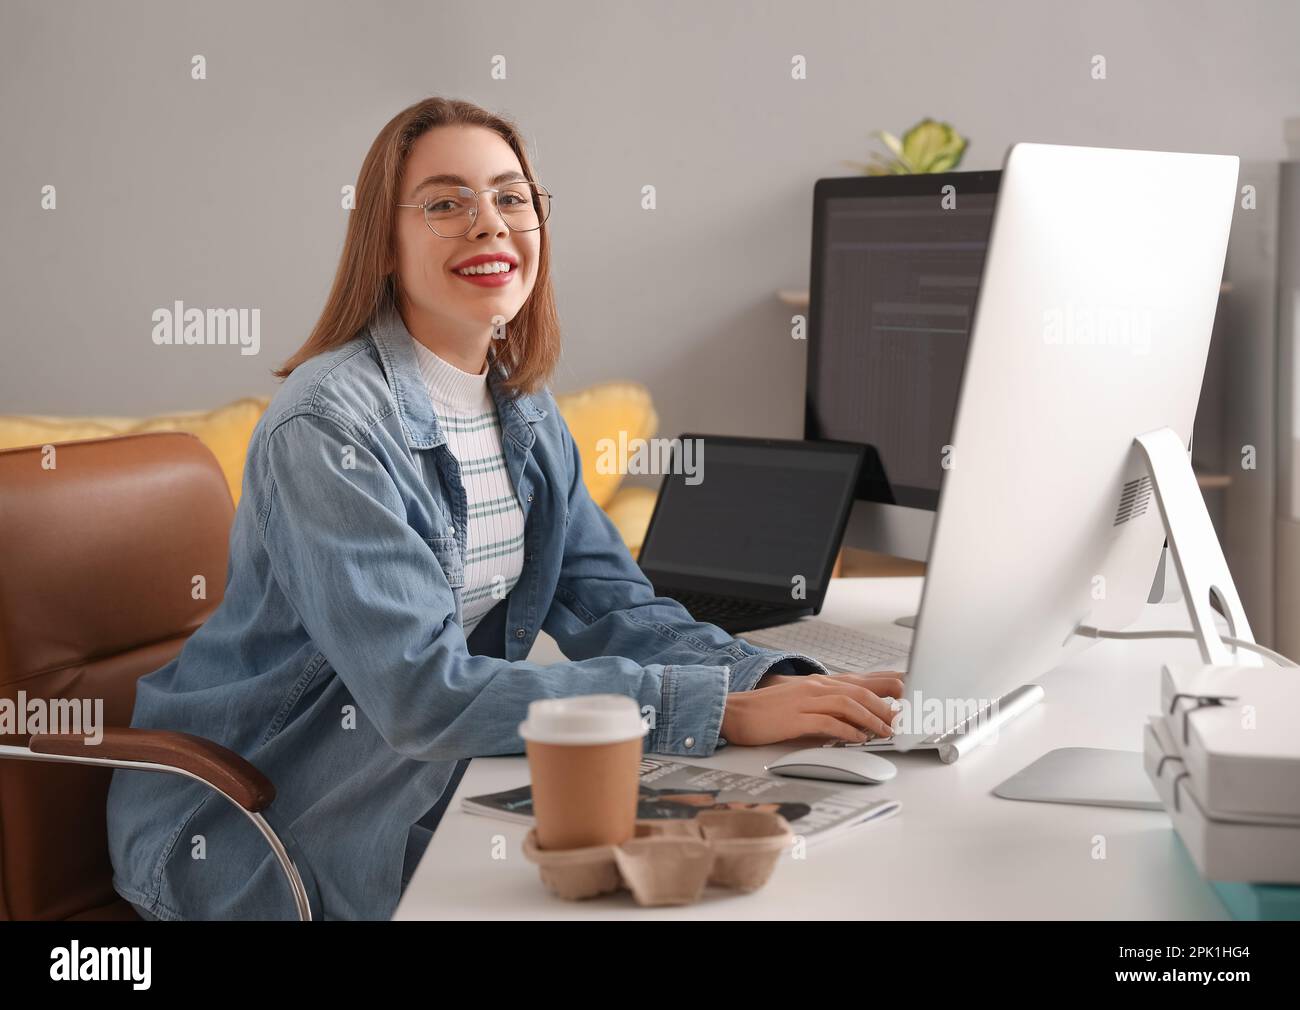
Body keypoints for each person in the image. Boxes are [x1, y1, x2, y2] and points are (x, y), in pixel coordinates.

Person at [106, 96, 904, 921]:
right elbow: (424, 696)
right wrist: (719, 714)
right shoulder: (328, 429)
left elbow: (611, 603)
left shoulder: (520, 404)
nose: (490, 224)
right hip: (261, 831)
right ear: (385, 240)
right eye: (447, 203)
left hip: (411, 794)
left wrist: (785, 683)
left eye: (511, 198)